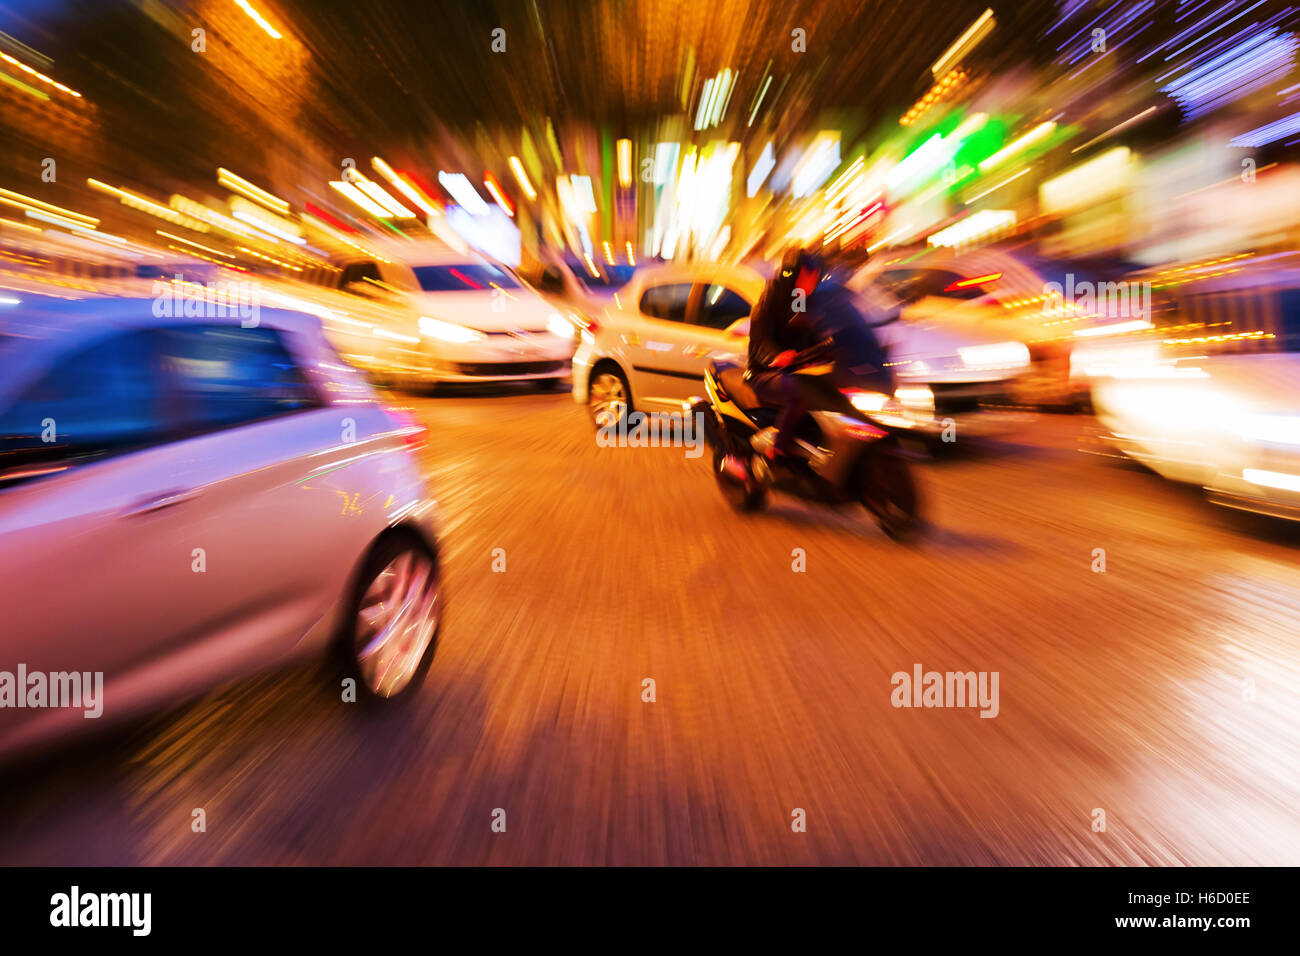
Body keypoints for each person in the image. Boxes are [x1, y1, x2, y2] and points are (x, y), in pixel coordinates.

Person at [745, 246, 823, 461]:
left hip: (795, 371)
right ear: (796, 273)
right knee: (801, 393)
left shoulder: (801, 298)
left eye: (814, 277)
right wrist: (776, 357)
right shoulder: (773, 294)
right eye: (807, 277)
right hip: (763, 373)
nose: (812, 282)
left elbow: (805, 331)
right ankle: (776, 451)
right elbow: (760, 340)